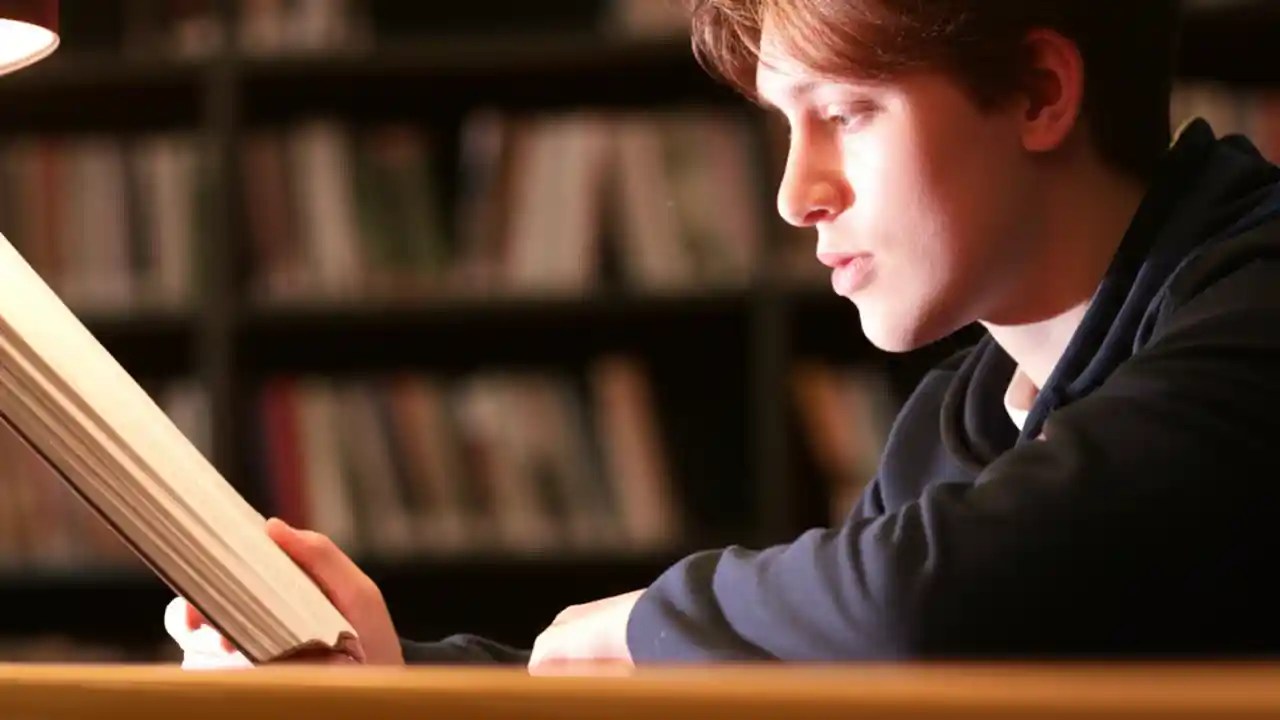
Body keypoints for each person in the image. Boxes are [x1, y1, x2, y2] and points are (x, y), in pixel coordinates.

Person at [168, 0, 1280, 669]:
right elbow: (776, 681)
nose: (797, 192)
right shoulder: (962, 416)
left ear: (1039, 90)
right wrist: (398, 675)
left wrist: (648, 619)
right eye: (781, 128)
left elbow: (924, 599)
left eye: (845, 115)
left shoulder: (1257, 299)